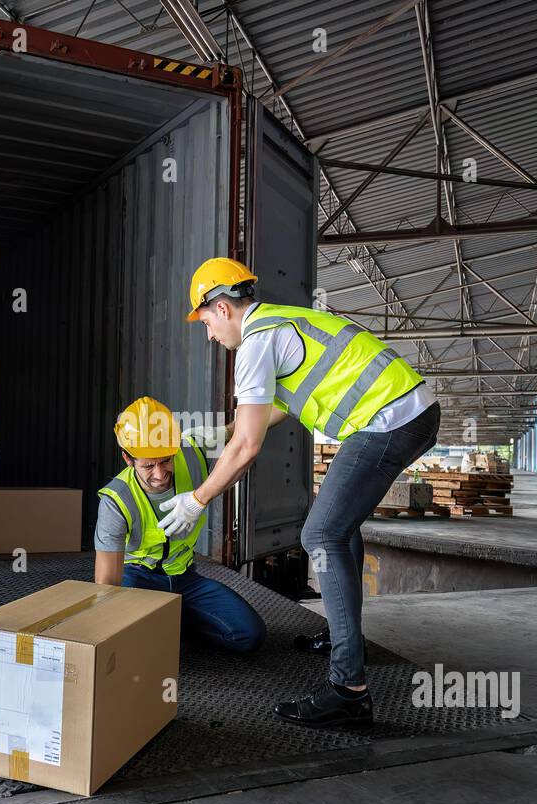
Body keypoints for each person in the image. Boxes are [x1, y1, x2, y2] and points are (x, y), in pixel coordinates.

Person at [167, 257, 441, 727]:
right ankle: (342, 639)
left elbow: (248, 447)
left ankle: (348, 690)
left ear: (222, 307)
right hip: (406, 412)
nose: (209, 334)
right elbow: (265, 415)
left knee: (321, 536)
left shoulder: (255, 343)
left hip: (388, 421)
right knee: (339, 529)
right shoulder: (282, 322)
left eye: (206, 321)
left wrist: (197, 500)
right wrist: (212, 434)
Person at [95, 396, 265, 654]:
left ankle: (170, 620)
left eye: (165, 460)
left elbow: (243, 430)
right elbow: (107, 580)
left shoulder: (193, 452)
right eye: (148, 466)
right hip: (139, 579)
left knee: (249, 635)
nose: (160, 474)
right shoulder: (116, 500)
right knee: (138, 645)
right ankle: (162, 625)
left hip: (186, 578)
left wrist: (285, 403)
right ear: (128, 459)